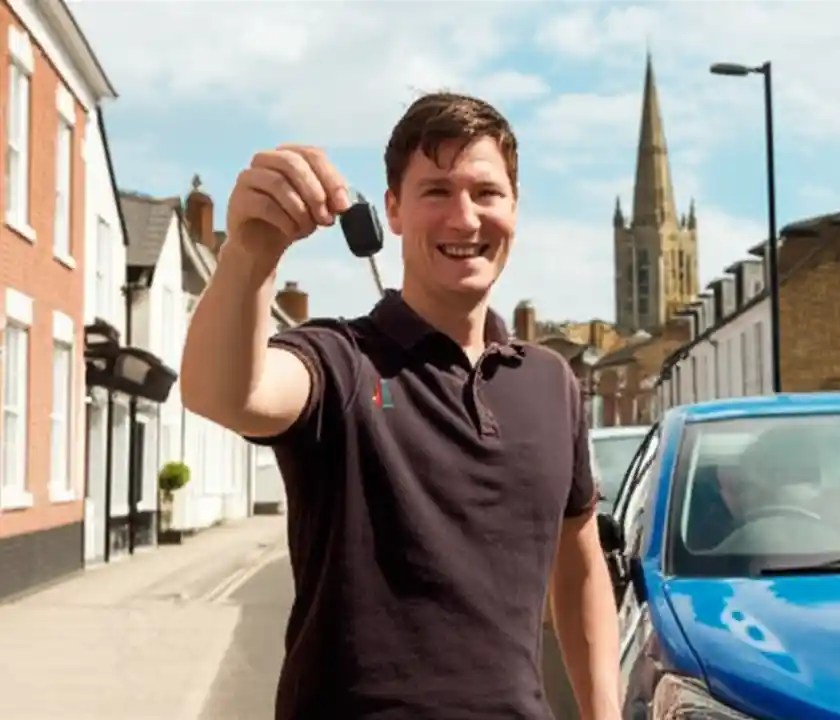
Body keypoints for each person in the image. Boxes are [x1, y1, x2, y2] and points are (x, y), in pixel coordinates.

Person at [180, 92, 622, 720]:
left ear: (515, 208)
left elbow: (578, 566)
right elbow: (225, 392)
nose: (465, 218)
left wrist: (603, 713)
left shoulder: (551, 382)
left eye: (486, 193)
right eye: (436, 191)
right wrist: (251, 254)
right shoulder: (341, 359)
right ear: (391, 209)